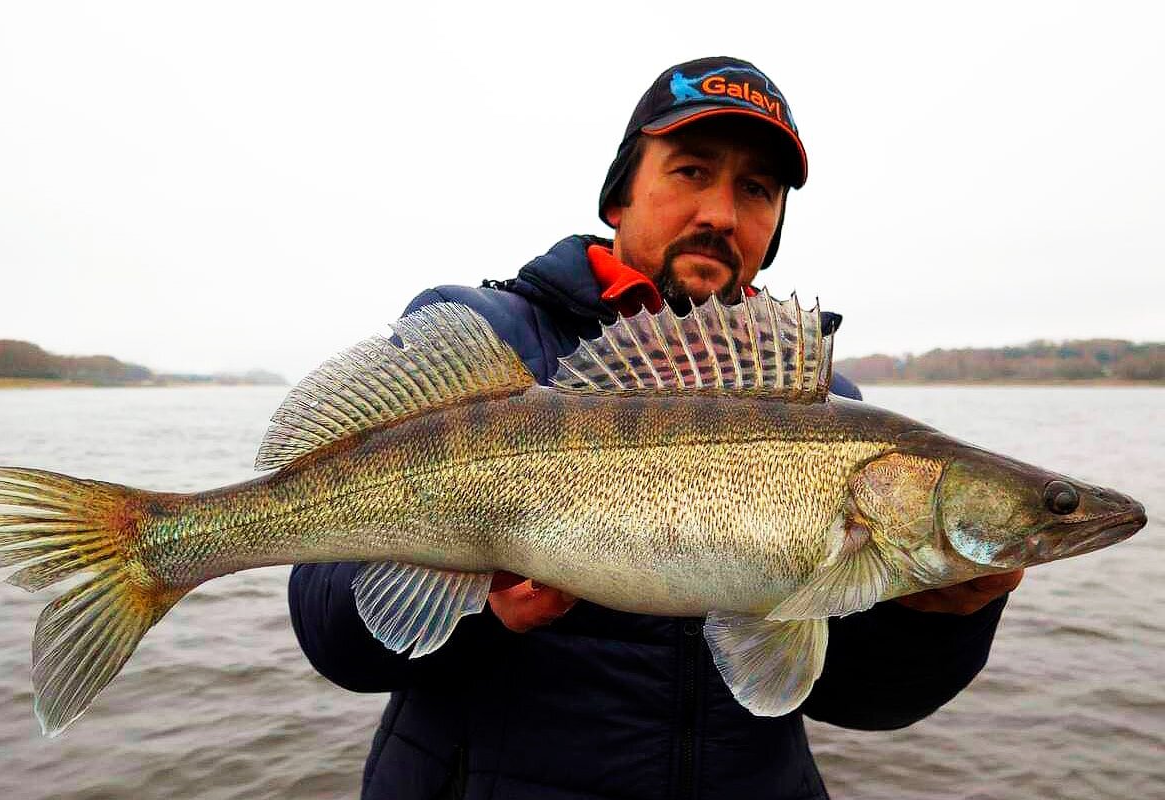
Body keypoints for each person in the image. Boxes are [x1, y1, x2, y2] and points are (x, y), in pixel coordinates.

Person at [289, 56, 1023, 799]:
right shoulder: (493, 345)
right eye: (691, 171)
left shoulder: (826, 406)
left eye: (756, 190)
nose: (721, 214)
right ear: (619, 196)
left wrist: (945, 617)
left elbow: (862, 699)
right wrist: (476, 604)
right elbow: (329, 633)